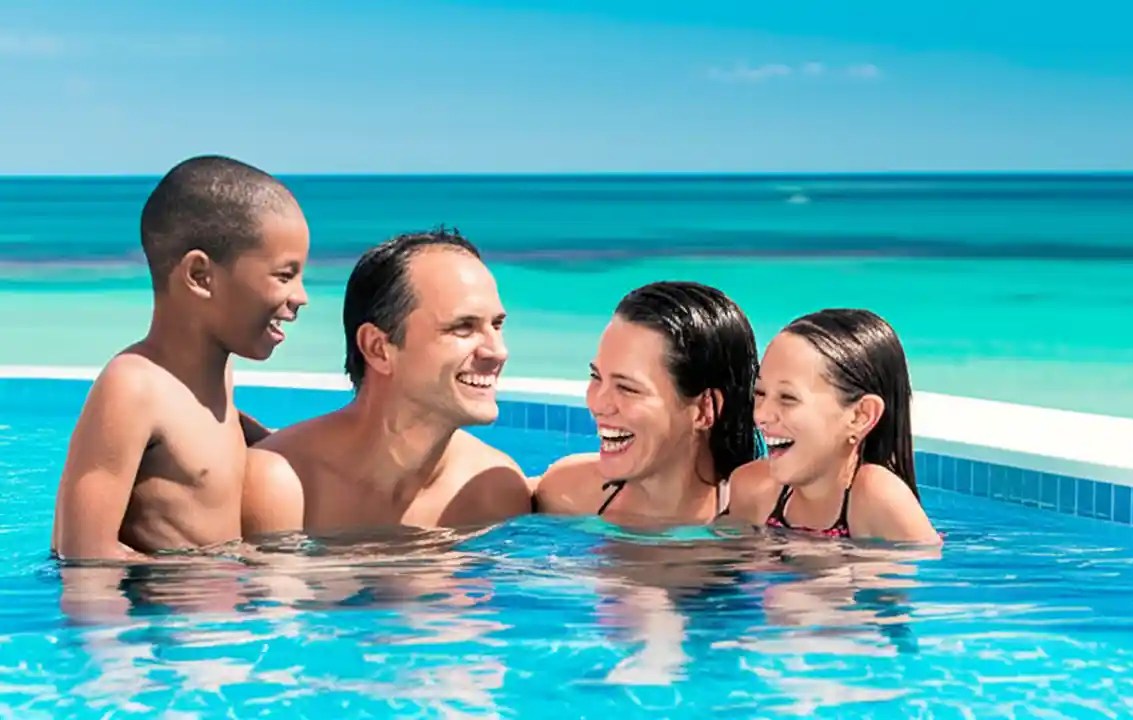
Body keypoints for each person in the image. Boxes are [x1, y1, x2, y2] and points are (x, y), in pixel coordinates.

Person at [50, 155, 311, 562]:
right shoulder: (133, 387)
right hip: (168, 617)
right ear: (200, 277)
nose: (301, 296)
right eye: (284, 275)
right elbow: (84, 556)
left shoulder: (217, 372)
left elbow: (202, 441)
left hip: (221, 607)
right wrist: (207, 578)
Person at [240, 228, 531, 536]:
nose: (498, 351)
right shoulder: (284, 486)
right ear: (378, 349)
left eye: (497, 325)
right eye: (463, 327)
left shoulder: (493, 491)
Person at [534, 281, 759, 526]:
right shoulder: (569, 495)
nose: (598, 403)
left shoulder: (757, 521)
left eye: (627, 388)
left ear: (705, 409)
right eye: (596, 377)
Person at [726, 309, 940, 544]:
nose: (761, 415)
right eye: (760, 392)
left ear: (860, 416)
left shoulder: (877, 498)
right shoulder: (752, 490)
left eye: (788, 397)